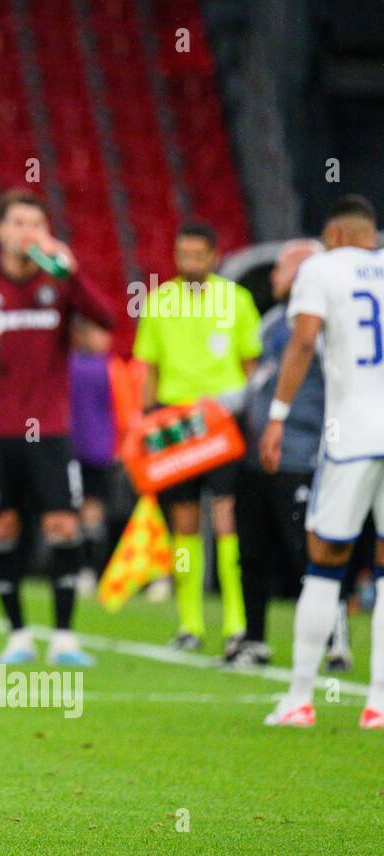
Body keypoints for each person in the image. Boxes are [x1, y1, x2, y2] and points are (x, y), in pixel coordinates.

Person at [0, 189, 118, 667]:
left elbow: (107, 319)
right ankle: (18, 634)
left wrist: (75, 272)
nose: (27, 232)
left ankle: (64, 637)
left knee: (63, 523)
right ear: (1, 230)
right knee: (2, 525)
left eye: (35, 224)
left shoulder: (59, 282)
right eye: (19, 222)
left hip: (50, 428)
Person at [261, 196, 384, 729]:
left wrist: (277, 414)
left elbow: (304, 338)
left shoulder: (321, 268)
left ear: (332, 232)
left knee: (324, 561)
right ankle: (378, 704)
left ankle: (300, 699)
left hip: (351, 433)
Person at [133, 222, 261, 652]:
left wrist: (255, 423)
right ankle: (190, 623)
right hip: (173, 423)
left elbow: (250, 366)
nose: (189, 262)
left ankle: (236, 623)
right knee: (184, 525)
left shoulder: (237, 300)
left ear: (213, 256)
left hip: (222, 422)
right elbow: (148, 369)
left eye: (197, 255)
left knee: (227, 520)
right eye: (182, 254)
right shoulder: (159, 301)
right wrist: (144, 422)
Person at [230, 239, 324, 667]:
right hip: (257, 455)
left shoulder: (324, 325)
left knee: (304, 551)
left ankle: (330, 635)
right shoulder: (271, 323)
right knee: (251, 551)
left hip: (302, 453)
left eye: (283, 269)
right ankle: (254, 639)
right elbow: (255, 384)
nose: (274, 277)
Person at [68, 318, 118, 596]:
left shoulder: (107, 367)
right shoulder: (77, 366)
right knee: (84, 512)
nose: (105, 340)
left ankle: (90, 570)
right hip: (84, 450)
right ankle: (86, 570)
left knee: (89, 513)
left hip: (95, 451)